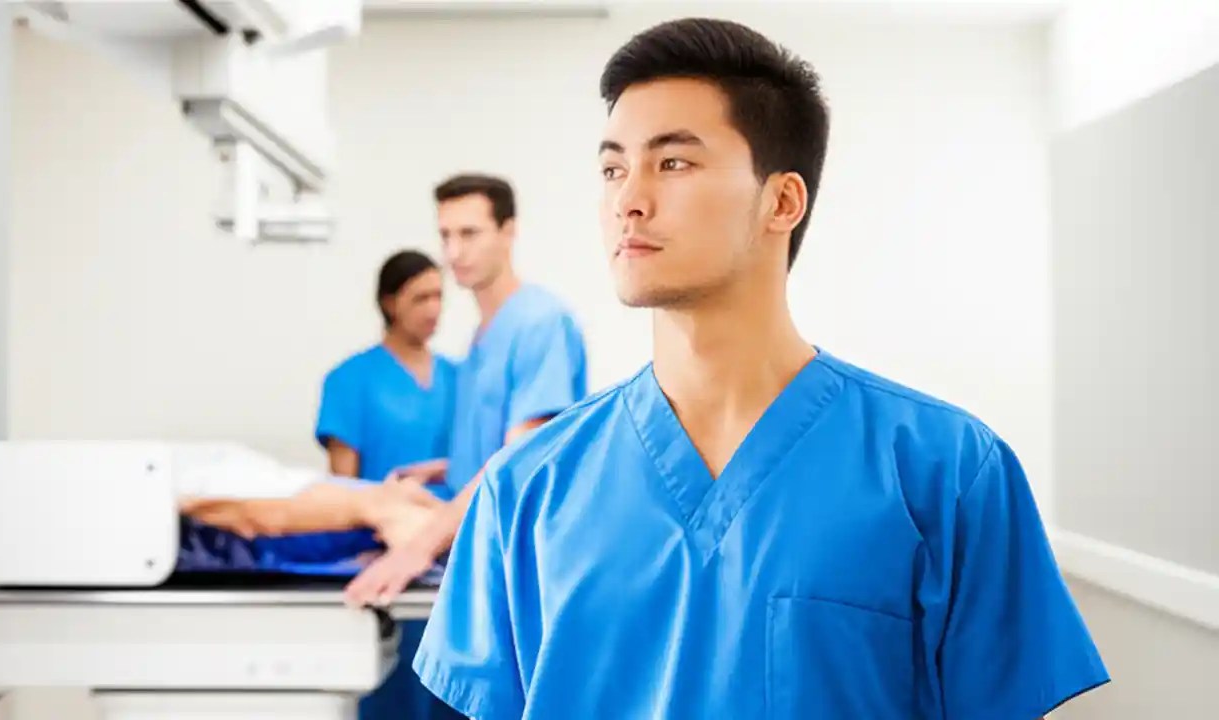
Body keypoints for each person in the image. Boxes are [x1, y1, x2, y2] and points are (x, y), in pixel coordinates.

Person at [412, 18, 1109, 720]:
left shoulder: (945, 473)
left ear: (782, 201)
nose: (629, 198)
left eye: (673, 163)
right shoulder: (527, 491)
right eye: (613, 168)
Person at [182, 249, 462, 720]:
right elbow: (340, 483)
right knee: (394, 690)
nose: (433, 309)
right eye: (420, 298)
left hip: (446, 557)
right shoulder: (351, 379)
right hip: (379, 553)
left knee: (452, 691)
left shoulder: (462, 377)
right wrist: (372, 511)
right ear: (390, 302)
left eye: (439, 296)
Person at [343, 174, 588, 608]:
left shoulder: (539, 323)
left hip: (518, 566)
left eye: (469, 234)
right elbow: (497, 442)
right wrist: (442, 470)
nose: (454, 252)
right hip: (473, 551)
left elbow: (521, 460)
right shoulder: (479, 340)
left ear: (508, 232)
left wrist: (419, 547)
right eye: (446, 236)